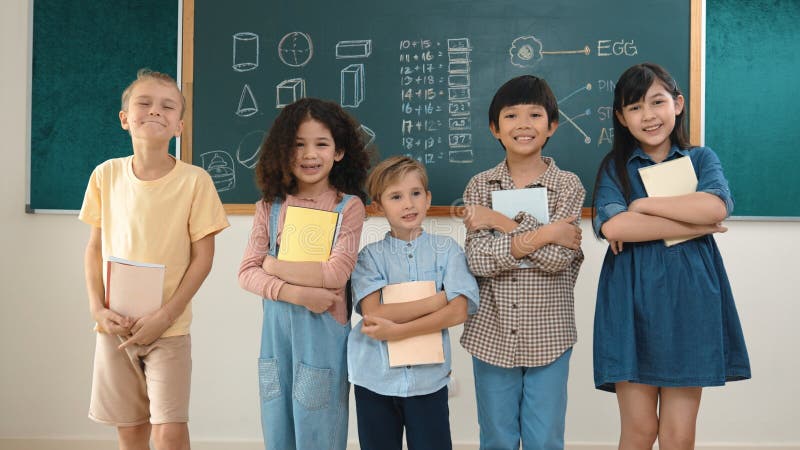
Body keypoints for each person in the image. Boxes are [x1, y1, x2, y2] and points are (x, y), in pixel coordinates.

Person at [591, 62, 751, 448]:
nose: (648, 116)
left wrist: (642, 207)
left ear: (678, 104)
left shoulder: (701, 159)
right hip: (630, 303)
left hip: (691, 301)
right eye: (634, 107)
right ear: (621, 117)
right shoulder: (615, 167)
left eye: (657, 101)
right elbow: (615, 228)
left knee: (679, 435)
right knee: (640, 429)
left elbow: (714, 208)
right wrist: (694, 225)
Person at [80, 69, 229, 450]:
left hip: (169, 327)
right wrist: (97, 308)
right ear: (125, 118)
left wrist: (166, 315)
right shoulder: (105, 175)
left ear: (179, 125)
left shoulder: (195, 181)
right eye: (143, 103)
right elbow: (95, 248)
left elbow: (203, 257)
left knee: (169, 428)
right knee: (130, 428)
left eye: (167, 106)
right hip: (116, 325)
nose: (154, 111)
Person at [460, 75, 584, 449]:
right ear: (495, 128)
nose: (524, 124)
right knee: (496, 436)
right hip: (491, 334)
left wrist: (499, 222)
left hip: (551, 335)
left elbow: (557, 260)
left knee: (544, 437)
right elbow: (478, 261)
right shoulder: (480, 186)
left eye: (535, 114)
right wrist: (545, 232)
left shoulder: (567, 185)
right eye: (511, 116)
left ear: (553, 125)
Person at [238, 97, 370, 450]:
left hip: (323, 338)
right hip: (277, 338)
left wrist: (274, 265)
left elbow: (336, 274)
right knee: (277, 419)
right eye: (298, 144)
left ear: (339, 151)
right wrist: (298, 293)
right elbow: (246, 272)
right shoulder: (270, 207)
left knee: (319, 423)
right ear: (283, 151)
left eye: (321, 144)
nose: (310, 154)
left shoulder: (349, 207)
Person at [347, 156, 479, 450]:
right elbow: (374, 311)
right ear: (378, 206)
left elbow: (459, 310)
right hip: (375, 378)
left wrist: (398, 329)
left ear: (428, 198)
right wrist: (439, 299)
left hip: (428, 380)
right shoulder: (369, 256)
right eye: (396, 196)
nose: (408, 204)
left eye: (415, 193)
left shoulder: (448, 251)